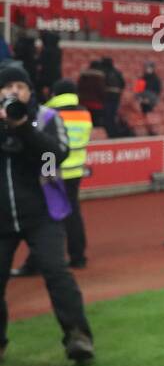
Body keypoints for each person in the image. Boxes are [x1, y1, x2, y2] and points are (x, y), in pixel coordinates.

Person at [0, 66, 94, 362]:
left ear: (30, 91)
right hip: (2, 217)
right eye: (7, 86)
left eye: (20, 85)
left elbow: (56, 155)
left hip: (43, 213)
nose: (14, 91)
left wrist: (23, 127)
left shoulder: (47, 118)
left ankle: (78, 336)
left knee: (56, 272)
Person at [12, 79, 92, 275]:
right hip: (76, 169)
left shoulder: (49, 113)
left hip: (54, 171)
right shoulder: (85, 113)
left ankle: (35, 262)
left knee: (46, 216)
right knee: (73, 213)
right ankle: (78, 256)